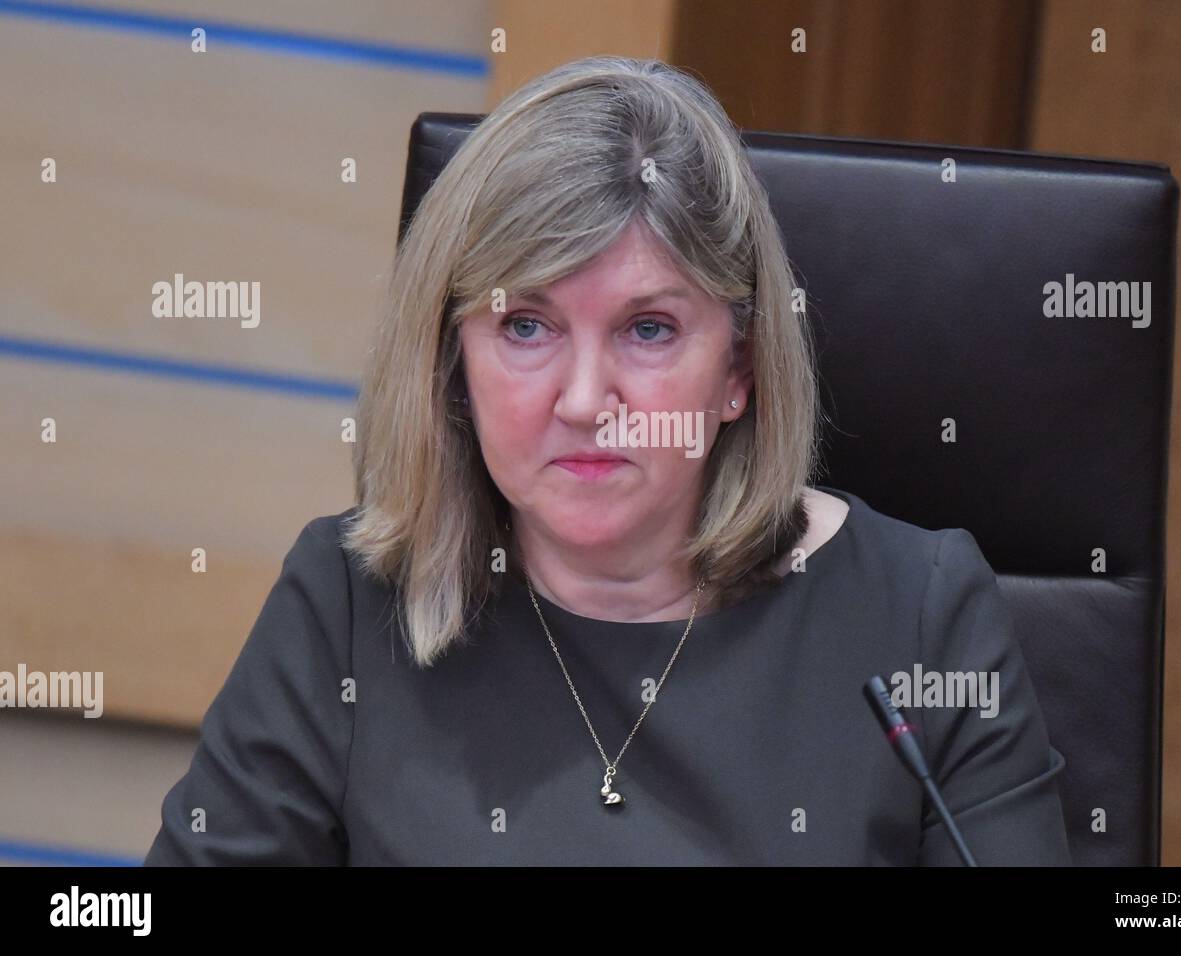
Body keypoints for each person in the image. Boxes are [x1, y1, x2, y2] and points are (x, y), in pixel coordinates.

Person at [144, 55, 1071, 866]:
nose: (586, 402)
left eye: (650, 329)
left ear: (739, 369)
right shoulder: (347, 603)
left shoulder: (920, 616)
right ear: (452, 360)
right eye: (527, 326)